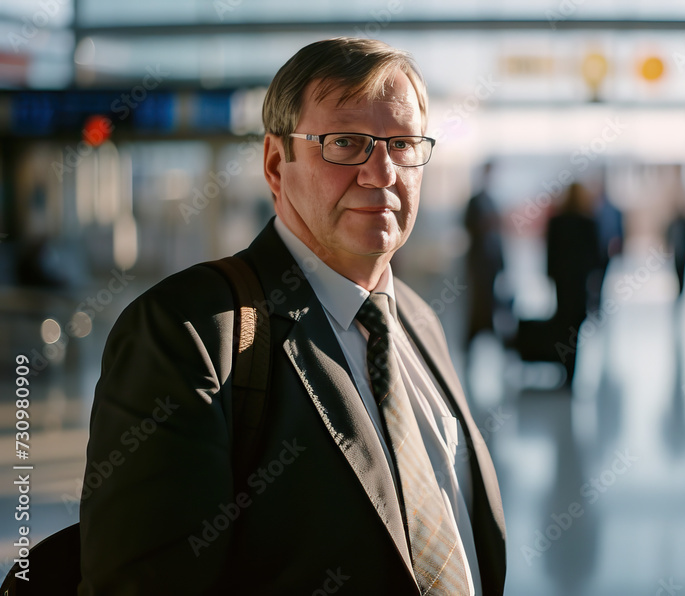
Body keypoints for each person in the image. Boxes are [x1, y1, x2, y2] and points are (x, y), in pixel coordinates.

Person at [79, 38, 506, 595]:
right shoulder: (189, 331)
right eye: (346, 143)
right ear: (277, 164)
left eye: (402, 144)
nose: (381, 173)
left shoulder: (419, 323)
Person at [546, 182, 602, 382]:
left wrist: (550, 277)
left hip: (562, 282)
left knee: (563, 321)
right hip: (579, 283)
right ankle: (571, 370)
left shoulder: (557, 222)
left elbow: (550, 254)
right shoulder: (588, 222)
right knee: (574, 326)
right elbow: (595, 258)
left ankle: (564, 366)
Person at [463, 161, 506, 350]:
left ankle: (486, 331)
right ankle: (475, 334)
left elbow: (497, 236)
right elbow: (469, 226)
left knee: (489, 300)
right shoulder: (476, 201)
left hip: (491, 261)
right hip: (479, 262)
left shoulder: (491, 200)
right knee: (479, 301)